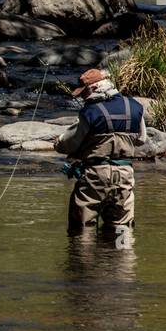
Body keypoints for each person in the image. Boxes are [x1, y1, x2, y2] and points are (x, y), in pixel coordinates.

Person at [54, 68, 148, 237]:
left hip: (95, 176)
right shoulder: (134, 106)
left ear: (95, 88)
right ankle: (122, 259)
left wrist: (58, 142)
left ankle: (85, 261)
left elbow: (69, 144)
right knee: (122, 227)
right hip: (125, 175)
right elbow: (141, 139)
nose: (83, 97)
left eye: (84, 93)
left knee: (83, 227)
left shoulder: (90, 112)